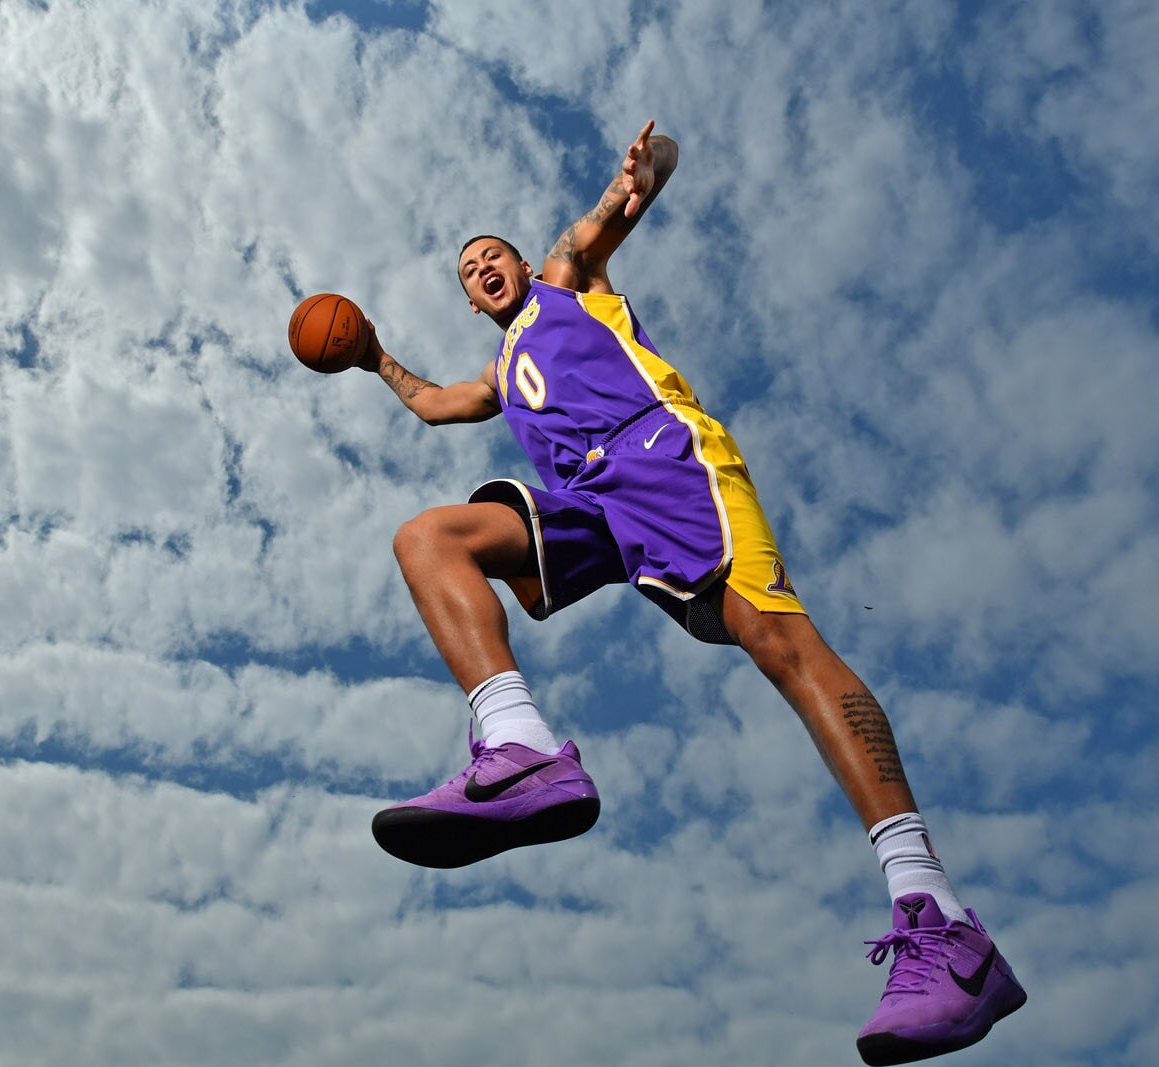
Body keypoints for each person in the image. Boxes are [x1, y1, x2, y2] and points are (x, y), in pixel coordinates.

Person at [356, 120, 1026, 1065]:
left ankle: (942, 920)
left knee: (779, 643)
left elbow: (629, 199)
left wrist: (647, 165)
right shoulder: (500, 375)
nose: (485, 268)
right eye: (470, 270)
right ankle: (517, 746)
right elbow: (430, 404)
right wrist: (373, 353)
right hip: (595, 505)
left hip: (666, 462)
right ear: (471, 302)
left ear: (518, 259)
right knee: (430, 540)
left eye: (491, 253)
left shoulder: (562, 279)